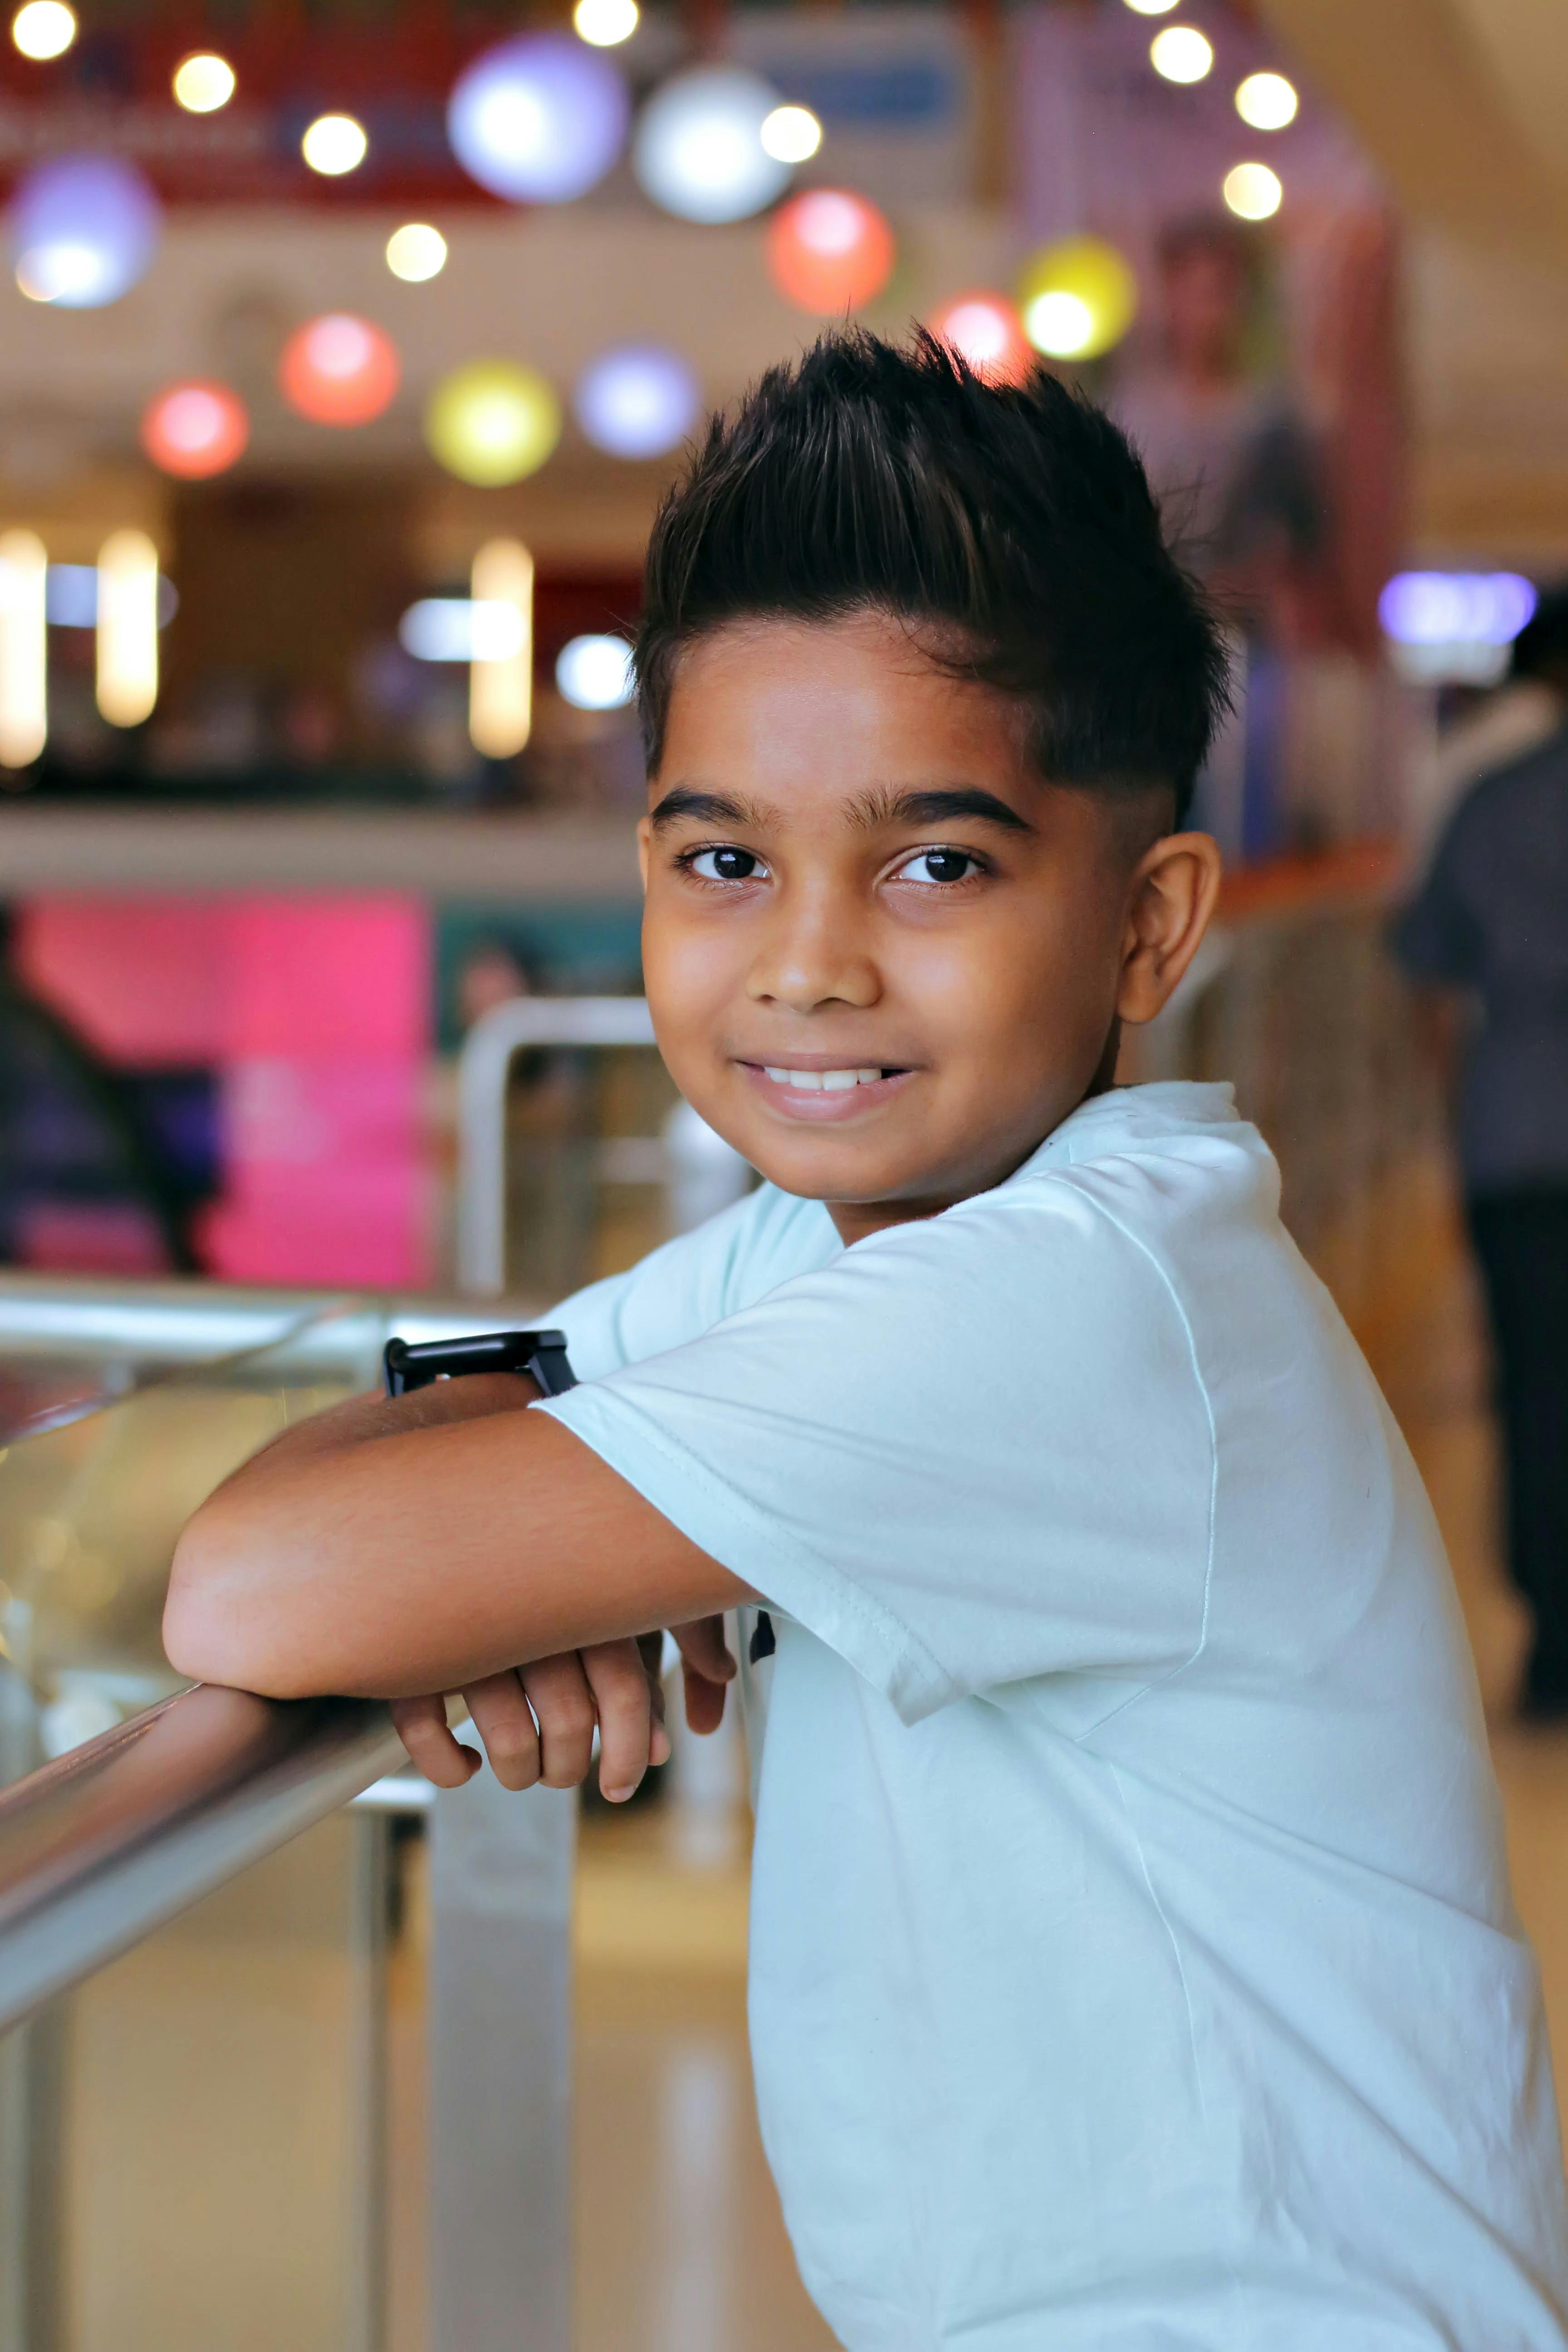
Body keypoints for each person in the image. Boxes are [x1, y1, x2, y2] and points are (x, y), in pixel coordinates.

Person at [164, 334, 1568, 2350]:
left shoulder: (1075, 1301)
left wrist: (489, 1541)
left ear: (1152, 926)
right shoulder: (830, 1251)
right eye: (725, 861)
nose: (811, 962)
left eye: (936, 863)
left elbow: (262, 1568)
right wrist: (506, 1531)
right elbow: (380, 1440)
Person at [1395, 584, 1568, 1719]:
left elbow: (1428, 971)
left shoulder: (1493, 801)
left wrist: (1454, 1111)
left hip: (1519, 1134)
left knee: (1537, 1388)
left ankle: (1557, 1642)